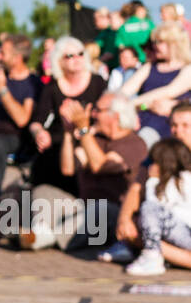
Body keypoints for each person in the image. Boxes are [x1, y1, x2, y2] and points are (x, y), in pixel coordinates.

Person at [21, 93, 146, 251]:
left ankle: (45, 237)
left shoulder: (135, 144)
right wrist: (68, 133)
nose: (92, 114)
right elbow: (68, 168)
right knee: (44, 191)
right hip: (83, 207)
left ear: (115, 116)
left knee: (102, 209)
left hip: (113, 213)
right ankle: (40, 231)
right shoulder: (96, 139)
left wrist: (84, 130)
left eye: (98, 110)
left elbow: (99, 165)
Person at [100, 101, 191, 264]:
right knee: (131, 222)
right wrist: (124, 220)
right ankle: (151, 249)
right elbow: (136, 188)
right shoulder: (162, 153)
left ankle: (151, 249)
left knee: (146, 221)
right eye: (174, 125)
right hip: (166, 222)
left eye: (185, 125)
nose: (178, 131)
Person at [29, 36, 107, 192]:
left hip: (90, 138)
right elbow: (37, 121)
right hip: (59, 140)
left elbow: (106, 116)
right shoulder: (52, 87)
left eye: (80, 54)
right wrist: (39, 133)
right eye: (70, 56)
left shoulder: (98, 82)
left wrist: (88, 130)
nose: (77, 59)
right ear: (59, 61)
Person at [0, 33, 40, 202]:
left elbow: (22, 119)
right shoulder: (0, 76)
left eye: (3, 53)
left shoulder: (32, 83)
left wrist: (2, 90)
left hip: (15, 138)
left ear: (17, 58)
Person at [124, 137, 191, 276]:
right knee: (140, 218)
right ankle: (131, 248)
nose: (152, 165)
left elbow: (153, 206)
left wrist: (153, 180)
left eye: (155, 161)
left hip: (186, 232)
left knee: (148, 208)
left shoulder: (184, 179)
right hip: (179, 233)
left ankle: (152, 255)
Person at [120, 22, 191, 147]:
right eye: (155, 42)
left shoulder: (187, 69)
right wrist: (143, 105)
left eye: (160, 42)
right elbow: (123, 92)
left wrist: (129, 105)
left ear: (175, 43)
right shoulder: (149, 67)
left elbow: (169, 91)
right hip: (140, 121)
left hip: (169, 127)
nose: (155, 46)